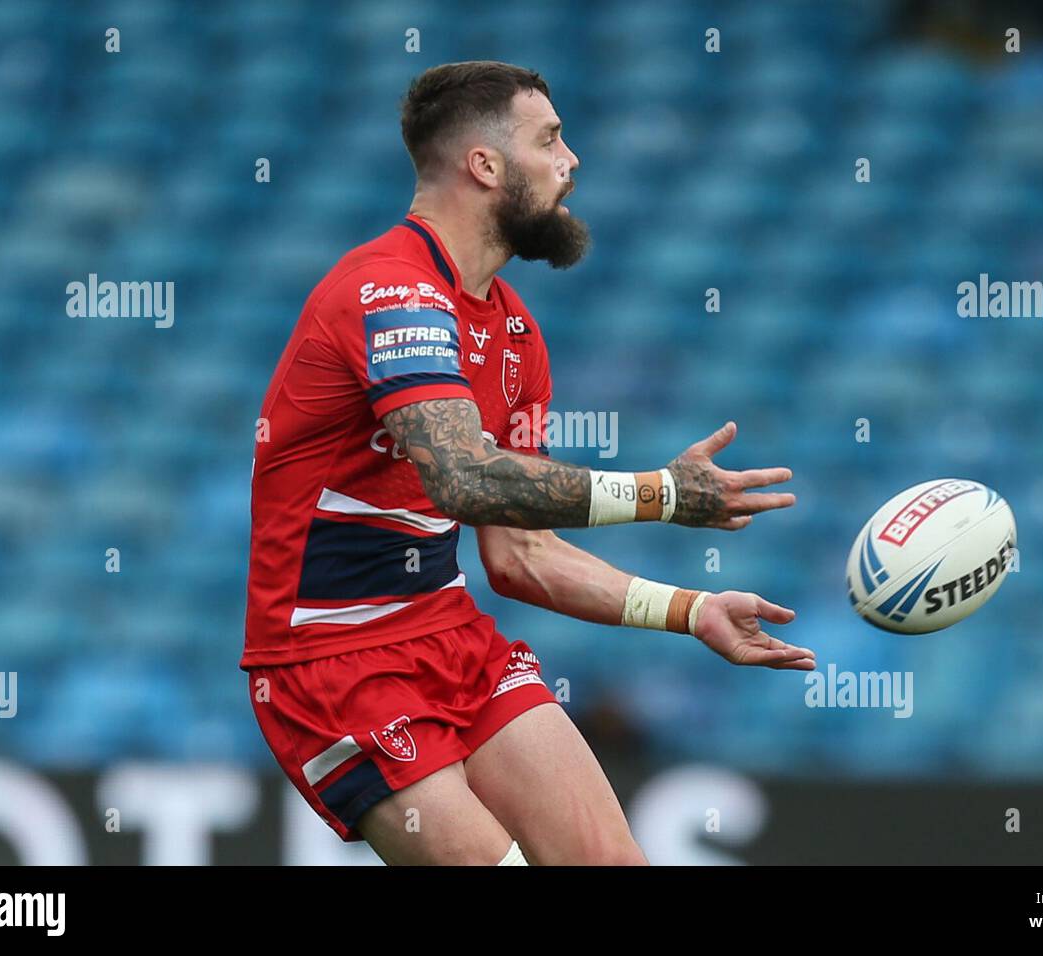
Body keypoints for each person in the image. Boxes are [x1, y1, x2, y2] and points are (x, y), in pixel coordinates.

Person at [243, 60, 814, 866]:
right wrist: (660, 494)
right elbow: (465, 477)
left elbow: (520, 556)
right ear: (484, 165)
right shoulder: (391, 292)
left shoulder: (514, 333)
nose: (570, 160)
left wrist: (690, 610)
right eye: (549, 139)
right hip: (331, 662)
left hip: (447, 636)